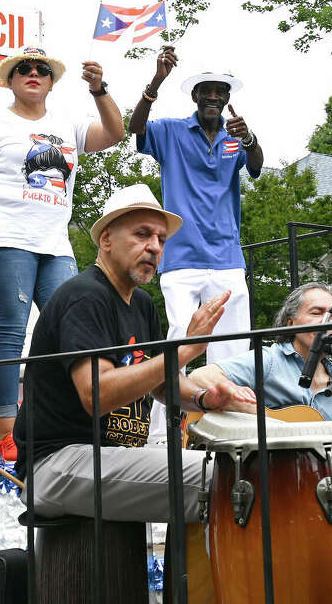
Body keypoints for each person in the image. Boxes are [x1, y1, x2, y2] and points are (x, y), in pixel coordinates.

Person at [14, 184, 253, 521]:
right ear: (106, 240)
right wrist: (184, 350)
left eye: (161, 239)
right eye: (142, 234)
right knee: (228, 476)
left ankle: (188, 559)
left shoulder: (141, 303)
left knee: (237, 470)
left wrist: (203, 398)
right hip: (58, 462)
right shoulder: (85, 297)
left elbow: (162, 384)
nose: (154, 247)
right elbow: (98, 394)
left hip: (109, 458)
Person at [0, 46, 124, 462]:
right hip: (2, 237)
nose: (33, 73)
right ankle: (8, 435)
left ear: (52, 82)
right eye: (23, 68)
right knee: (12, 330)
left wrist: (99, 89)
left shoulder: (68, 124)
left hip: (55, 243)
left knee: (76, 330)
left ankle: (70, 425)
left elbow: (115, 133)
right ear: (9, 79)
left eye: (42, 69)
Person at [128, 45, 263, 440]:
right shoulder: (172, 130)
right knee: (179, 346)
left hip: (227, 257)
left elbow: (256, 166)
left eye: (220, 91)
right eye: (206, 90)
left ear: (227, 97)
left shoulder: (235, 137)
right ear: (195, 96)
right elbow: (136, 128)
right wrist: (156, 81)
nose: (213, 96)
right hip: (181, 257)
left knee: (234, 351)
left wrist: (250, 137)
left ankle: (233, 434)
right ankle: (161, 437)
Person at [188, 282, 332, 477]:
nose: (326, 321)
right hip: (257, 474)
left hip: (308, 482)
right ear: (290, 322)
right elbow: (199, 377)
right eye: (316, 312)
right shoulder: (270, 359)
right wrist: (259, 415)